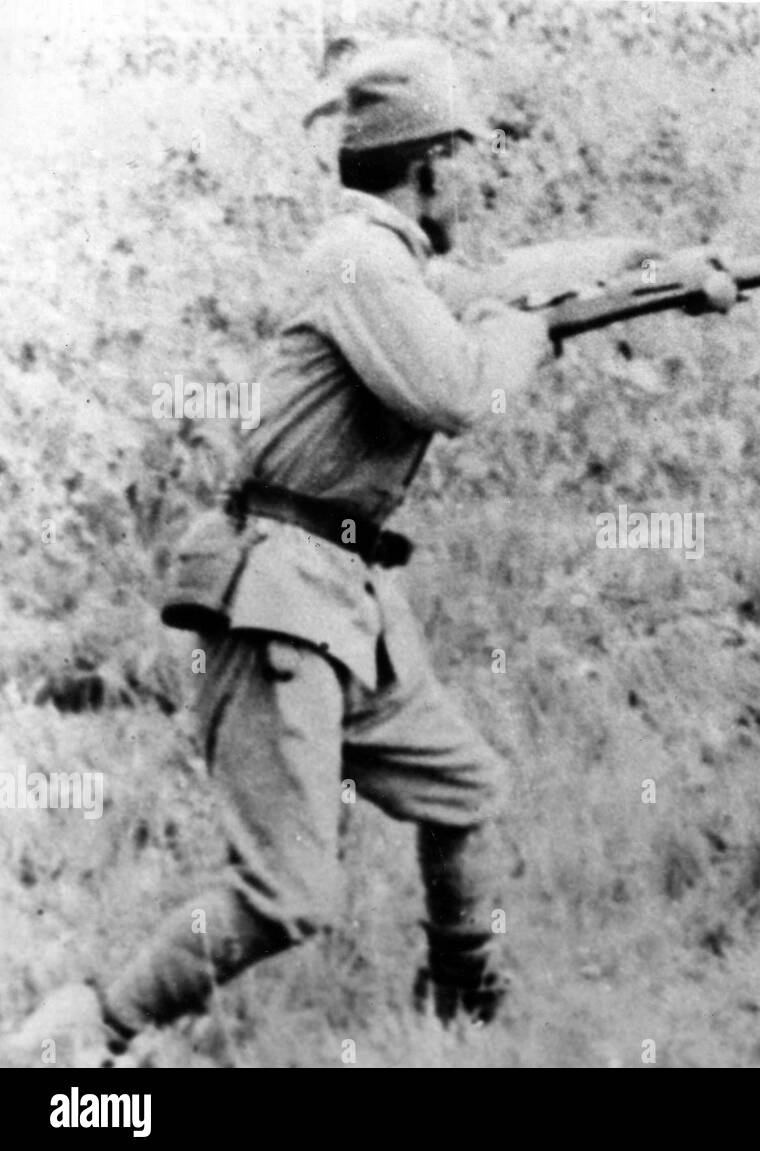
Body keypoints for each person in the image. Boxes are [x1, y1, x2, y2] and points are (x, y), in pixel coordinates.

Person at [3, 40, 551, 1065]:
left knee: (466, 788)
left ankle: (463, 1010)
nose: (478, 179)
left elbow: (511, 281)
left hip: (343, 599)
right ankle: (81, 1037)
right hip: (280, 601)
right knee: (287, 893)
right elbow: (462, 391)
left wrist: (665, 268)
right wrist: (531, 336)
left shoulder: (397, 258)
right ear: (429, 163)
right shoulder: (358, 256)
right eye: (468, 158)